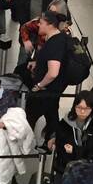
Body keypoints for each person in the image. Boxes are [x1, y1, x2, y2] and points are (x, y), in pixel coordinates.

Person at [26, 10, 70, 139]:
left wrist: (39, 86)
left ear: (50, 25)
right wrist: (38, 64)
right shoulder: (60, 37)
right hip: (55, 89)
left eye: (41, 23)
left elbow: (53, 72)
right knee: (51, 115)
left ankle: (25, 144)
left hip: (46, 90)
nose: (39, 25)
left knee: (30, 116)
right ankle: (51, 142)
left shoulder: (54, 44)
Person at [49, 90, 93, 176]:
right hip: (65, 169)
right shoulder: (64, 124)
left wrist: (75, 151)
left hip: (91, 170)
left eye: (86, 108)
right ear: (74, 106)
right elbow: (61, 148)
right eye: (79, 107)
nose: (82, 112)